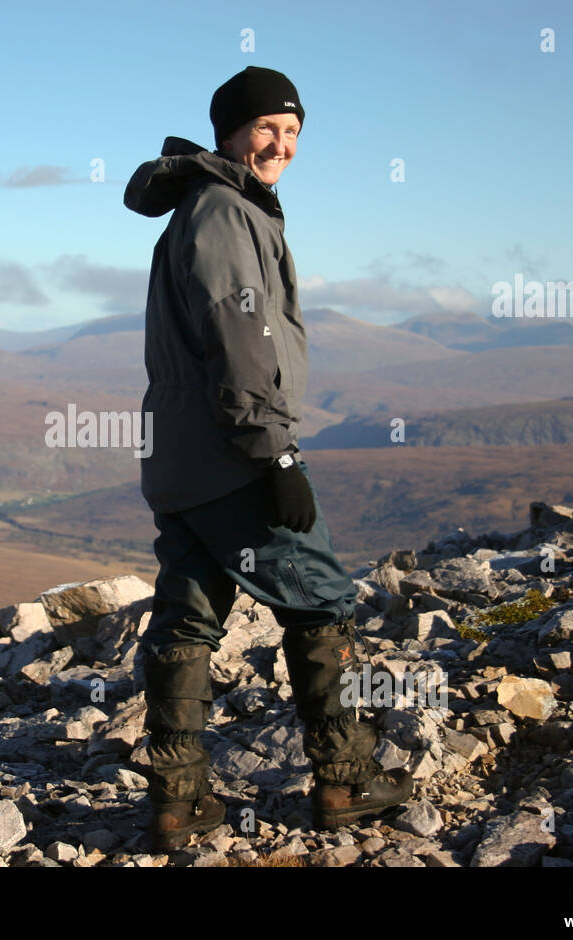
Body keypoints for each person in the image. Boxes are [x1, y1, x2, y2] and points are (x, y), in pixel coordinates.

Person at [123, 65, 413, 852]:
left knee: (187, 618)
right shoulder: (223, 211)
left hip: (182, 461)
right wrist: (276, 456)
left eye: (292, 135)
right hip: (233, 455)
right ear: (230, 131)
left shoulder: (202, 209)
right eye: (267, 129)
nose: (280, 145)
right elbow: (240, 335)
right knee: (320, 599)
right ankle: (345, 778)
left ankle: (179, 800)